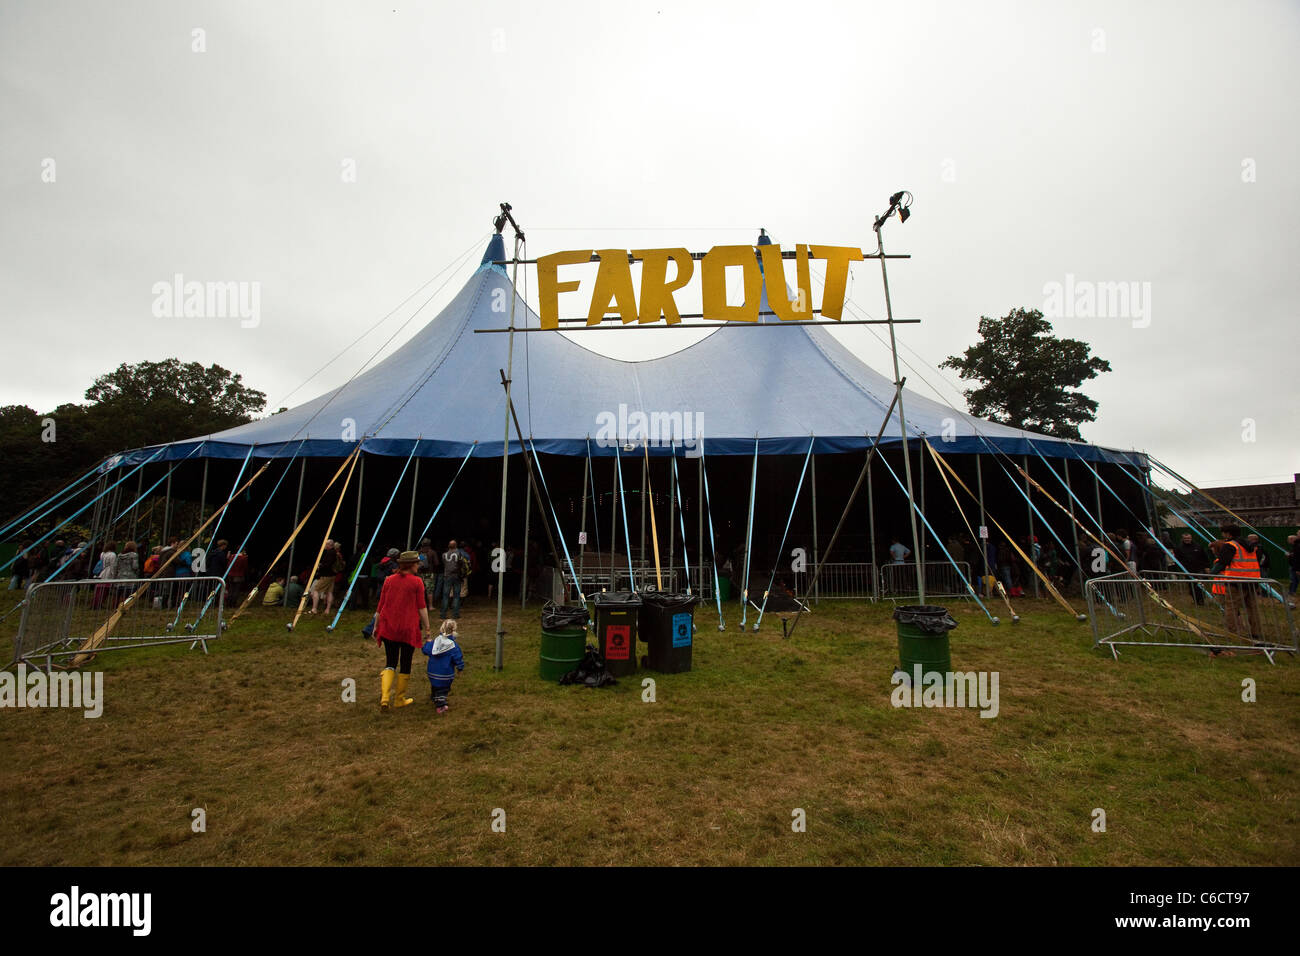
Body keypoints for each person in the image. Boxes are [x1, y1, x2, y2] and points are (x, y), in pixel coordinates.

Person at [374, 550, 431, 710]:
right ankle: (399, 698)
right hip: (408, 628)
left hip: (389, 627)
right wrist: (427, 629)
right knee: (405, 663)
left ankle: (385, 697)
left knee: (390, 662)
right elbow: (422, 608)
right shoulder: (417, 582)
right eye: (417, 563)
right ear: (411, 564)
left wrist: (376, 625)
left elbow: (381, 605)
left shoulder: (389, 580)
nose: (419, 565)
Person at [1208, 524, 1261, 650]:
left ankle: (1232, 633)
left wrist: (1211, 573)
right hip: (1252, 580)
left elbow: (1222, 562)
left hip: (1236, 581)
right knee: (1252, 607)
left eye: (1224, 533)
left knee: (1231, 607)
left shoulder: (1230, 545)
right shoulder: (1251, 546)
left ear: (1228, 534)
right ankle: (1256, 632)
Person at [423, 619, 466, 713]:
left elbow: (425, 650)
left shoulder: (435, 643)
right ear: (454, 631)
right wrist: (460, 667)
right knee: (443, 689)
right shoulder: (453, 646)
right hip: (445, 674)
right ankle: (440, 705)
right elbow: (458, 658)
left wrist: (428, 642)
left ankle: (434, 696)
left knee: (435, 685)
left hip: (432, 672)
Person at [1174, 533, 1210, 605]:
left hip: (1199, 569)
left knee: (1199, 584)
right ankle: (1196, 600)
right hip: (1187, 570)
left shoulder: (1198, 546)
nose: (1187, 540)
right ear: (1183, 539)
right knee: (1192, 585)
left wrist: (1206, 566)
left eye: (1188, 538)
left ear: (1191, 538)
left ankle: (1201, 599)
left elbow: (1204, 557)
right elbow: (1177, 559)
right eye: (1185, 538)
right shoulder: (1179, 548)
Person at [309, 540, 341, 615]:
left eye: (325, 544)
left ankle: (314, 609)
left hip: (326, 576)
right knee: (329, 592)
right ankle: (327, 610)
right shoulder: (334, 553)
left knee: (316, 590)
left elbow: (327, 565)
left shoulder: (330, 553)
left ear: (329, 545)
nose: (324, 546)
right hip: (332, 575)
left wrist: (319, 566)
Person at [440, 539, 467, 620]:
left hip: (447, 575)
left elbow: (444, 564)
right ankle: (455, 614)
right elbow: (462, 564)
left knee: (445, 596)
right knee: (456, 596)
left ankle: (443, 615)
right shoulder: (459, 554)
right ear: (456, 546)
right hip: (456, 576)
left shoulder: (444, 554)